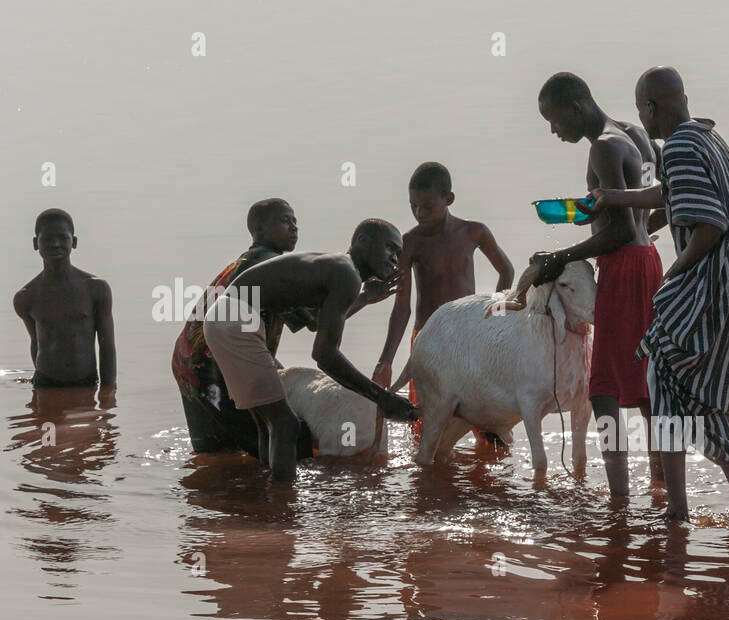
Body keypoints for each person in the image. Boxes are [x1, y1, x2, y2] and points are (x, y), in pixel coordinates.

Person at [584, 67, 729, 523]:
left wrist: (672, 276)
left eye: (640, 110)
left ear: (650, 108)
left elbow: (709, 225)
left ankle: (678, 510)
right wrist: (612, 198)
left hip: (714, 283)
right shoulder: (706, 137)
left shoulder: (681, 146)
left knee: (663, 373)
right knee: (702, 391)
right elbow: (671, 197)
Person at [528, 72, 665, 497]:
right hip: (649, 261)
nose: (554, 131)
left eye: (554, 120)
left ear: (576, 107)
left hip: (624, 266)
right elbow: (646, 213)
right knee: (648, 382)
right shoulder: (636, 134)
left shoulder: (604, 147)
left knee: (603, 390)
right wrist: (593, 214)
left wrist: (560, 257)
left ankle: (619, 501)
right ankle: (662, 486)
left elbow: (620, 232)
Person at [202, 218, 418, 484]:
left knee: (269, 424)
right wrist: (381, 397)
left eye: (398, 254)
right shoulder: (347, 274)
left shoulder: (340, 270)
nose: (394, 259)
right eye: (389, 248)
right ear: (363, 241)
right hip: (236, 320)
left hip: (229, 317)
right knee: (286, 424)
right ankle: (282, 508)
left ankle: (268, 499)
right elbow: (324, 355)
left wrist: (365, 297)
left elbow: (318, 324)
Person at [373, 162, 513, 444]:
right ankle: (430, 479)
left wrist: (494, 320)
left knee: (487, 418)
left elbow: (506, 271)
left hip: (469, 337)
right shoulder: (410, 243)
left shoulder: (474, 232)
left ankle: (490, 475)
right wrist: (386, 360)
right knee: (425, 422)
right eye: (413, 206)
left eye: (427, 206)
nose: (419, 213)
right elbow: (402, 307)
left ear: (448, 199)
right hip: (428, 340)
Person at [171, 198, 315, 457]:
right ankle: (276, 494)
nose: (293, 227)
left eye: (295, 221)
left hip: (187, 361)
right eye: (285, 221)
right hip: (215, 365)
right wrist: (361, 294)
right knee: (284, 439)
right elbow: (315, 320)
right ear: (258, 229)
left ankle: (221, 496)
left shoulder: (244, 262)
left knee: (214, 452)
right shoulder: (271, 265)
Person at [13, 208, 116, 395]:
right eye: (47, 239)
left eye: (63, 238)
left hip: (85, 382)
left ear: (74, 242)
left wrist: (108, 395)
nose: (56, 244)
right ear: (36, 243)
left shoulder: (96, 289)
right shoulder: (26, 297)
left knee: (88, 423)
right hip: (45, 382)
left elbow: (107, 346)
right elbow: (37, 341)